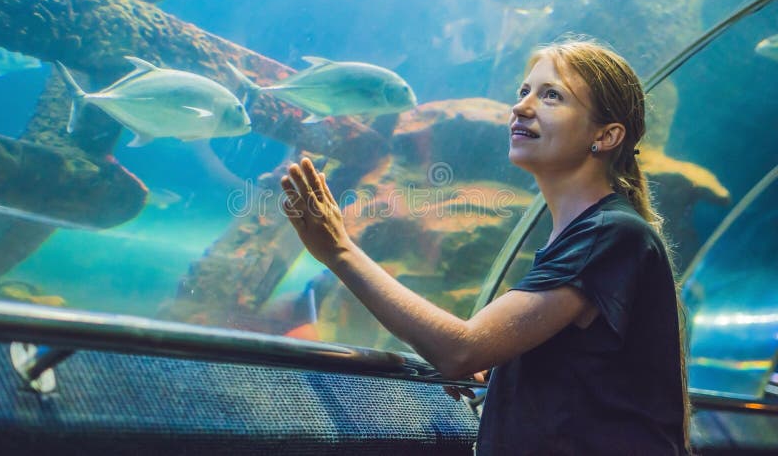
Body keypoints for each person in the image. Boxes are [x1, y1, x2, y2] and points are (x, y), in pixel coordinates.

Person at [280, 38, 691, 455]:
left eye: (552, 96)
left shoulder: (610, 234)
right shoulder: (590, 232)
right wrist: (506, 377)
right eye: (524, 91)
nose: (522, 107)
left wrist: (339, 251)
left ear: (606, 135)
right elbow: (584, 379)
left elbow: (461, 349)